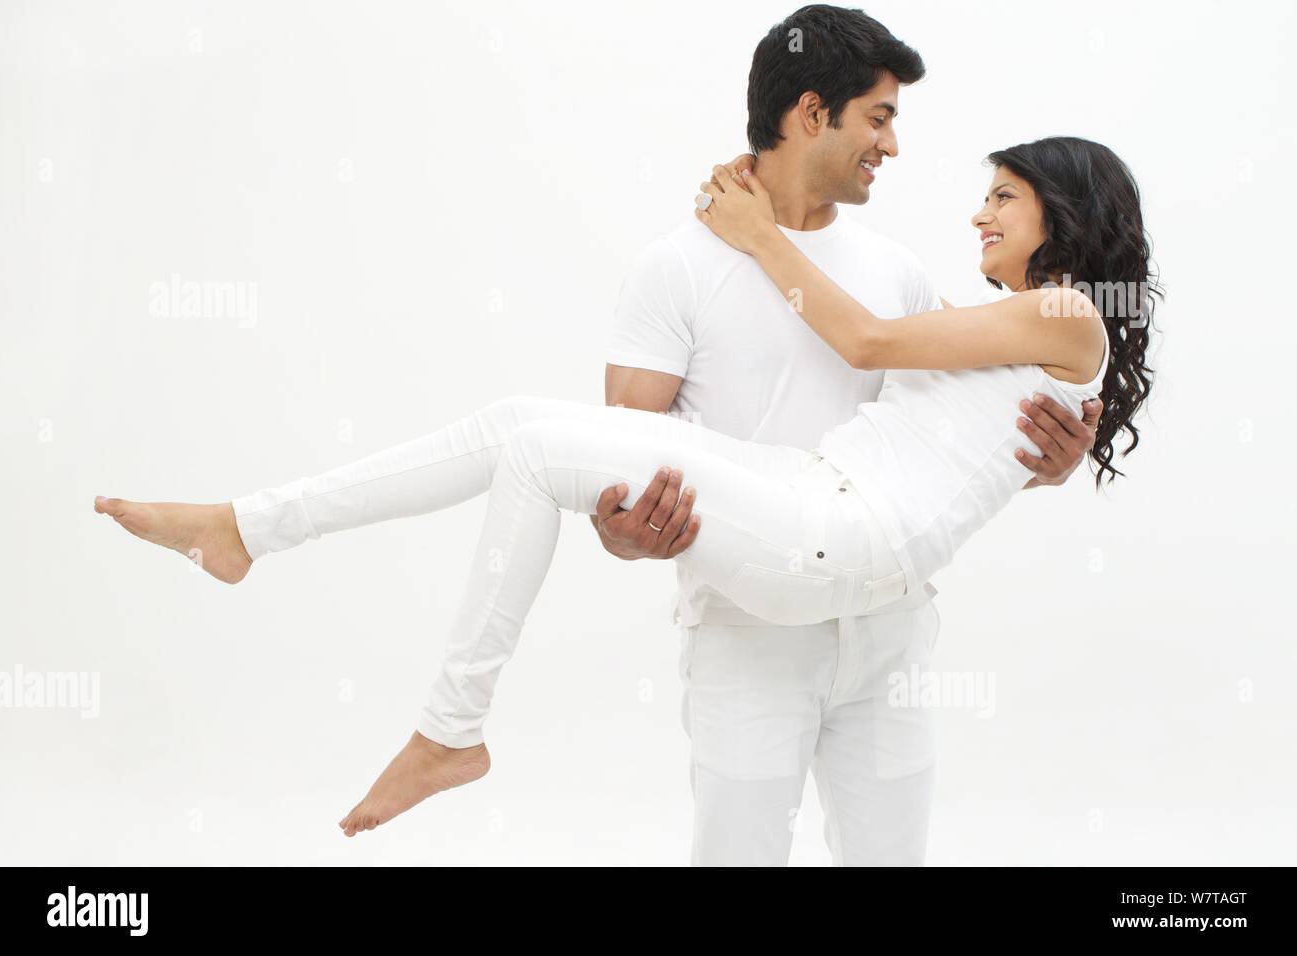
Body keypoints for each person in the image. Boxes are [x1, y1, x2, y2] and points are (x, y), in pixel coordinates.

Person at [93, 128, 1160, 844]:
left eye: (1003, 199)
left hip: (841, 541)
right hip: (816, 507)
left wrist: (755, 236)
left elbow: (868, 334)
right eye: (981, 197)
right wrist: (1052, 466)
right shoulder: (1016, 331)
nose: (978, 215)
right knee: (521, 431)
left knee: (527, 445)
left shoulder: (1064, 314)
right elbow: (971, 450)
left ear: (1064, 213)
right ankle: (250, 527)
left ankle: (446, 724)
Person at [586, 5, 1103, 866]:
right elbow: (618, 457)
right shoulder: (674, 267)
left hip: (888, 628)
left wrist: (1056, 453)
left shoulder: (893, 272)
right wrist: (620, 533)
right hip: (749, 630)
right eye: (881, 117)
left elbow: (978, 409)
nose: (893, 146)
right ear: (813, 113)